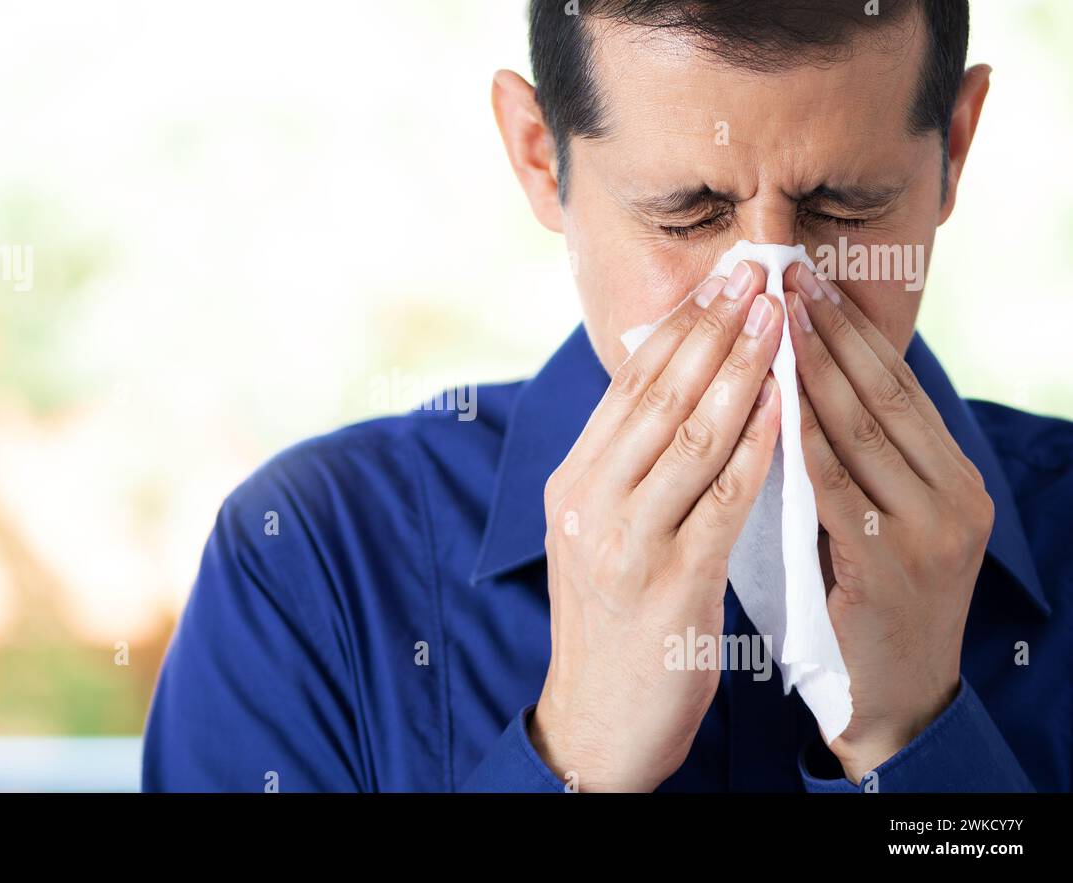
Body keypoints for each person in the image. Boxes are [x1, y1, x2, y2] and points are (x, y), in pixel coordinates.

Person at [143, 0, 1071, 792]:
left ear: (953, 146)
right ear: (541, 157)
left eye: (846, 208)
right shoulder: (313, 567)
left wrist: (920, 742)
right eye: (688, 213)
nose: (768, 302)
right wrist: (576, 753)